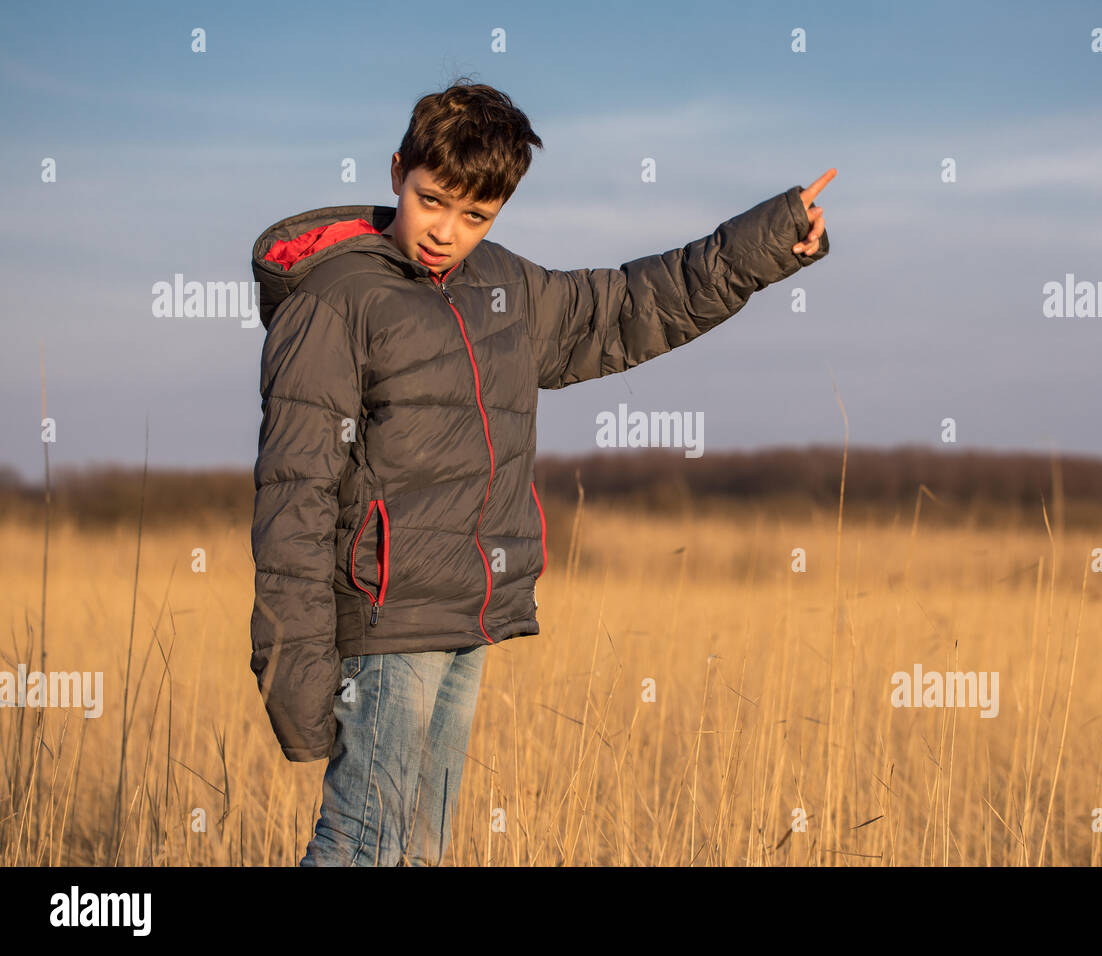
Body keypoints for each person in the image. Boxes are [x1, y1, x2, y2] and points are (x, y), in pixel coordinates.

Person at [248, 76, 834, 866]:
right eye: (431, 201)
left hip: (468, 613)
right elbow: (295, 494)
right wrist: (294, 659)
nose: (445, 232)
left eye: (475, 215)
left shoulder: (505, 289)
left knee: (421, 847)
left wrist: (765, 244)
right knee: (362, 839)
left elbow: (630, 306)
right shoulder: (337, 300)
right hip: (385, 621)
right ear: (396, 174)